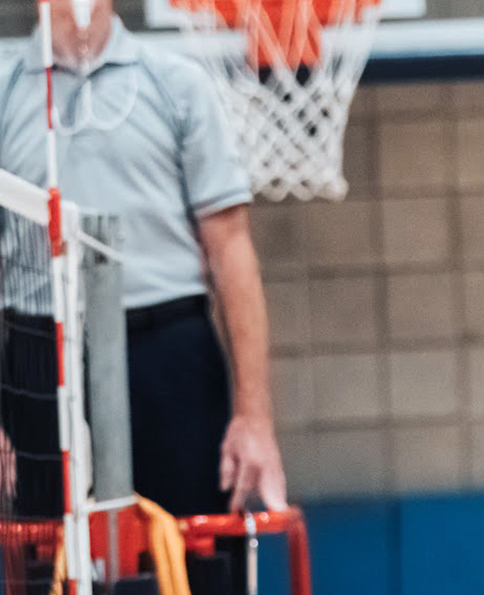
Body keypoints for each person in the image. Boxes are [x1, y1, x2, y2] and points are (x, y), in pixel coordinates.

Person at [0, 0, 286, 518]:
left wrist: (255, 418)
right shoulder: (5, 90)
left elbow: (231, 249)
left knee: (189, 563)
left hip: (166, 353)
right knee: (50, 574)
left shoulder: (177, 84)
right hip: (39, 357)